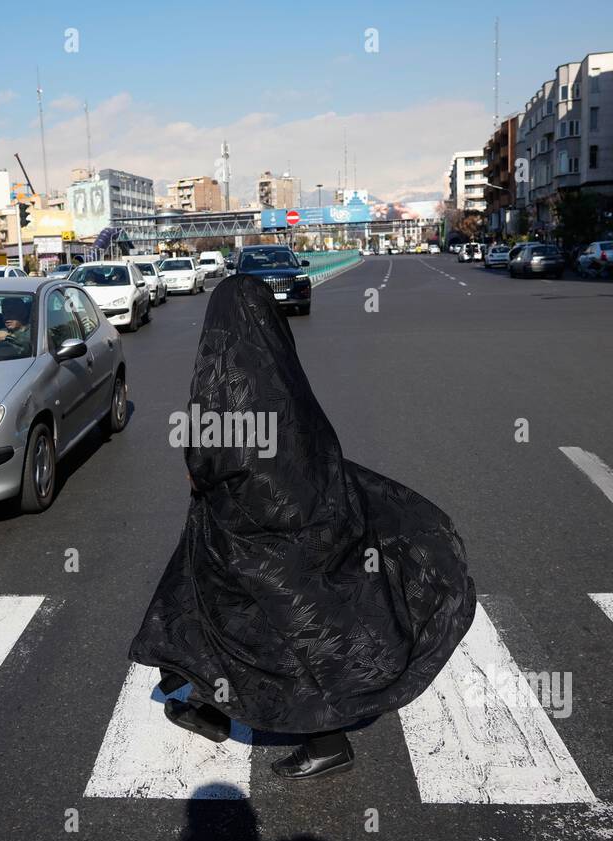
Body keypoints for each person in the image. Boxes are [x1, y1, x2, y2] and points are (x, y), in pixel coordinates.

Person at [129, 275, 477, 780]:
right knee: (229, 612)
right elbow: (310, 440)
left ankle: (324, 739)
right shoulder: (280, 366)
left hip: (245, 524)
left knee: (266, 626)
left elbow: (218, 450)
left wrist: (199, 472)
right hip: (298, 513)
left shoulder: (226, 370)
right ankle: (207, 705)